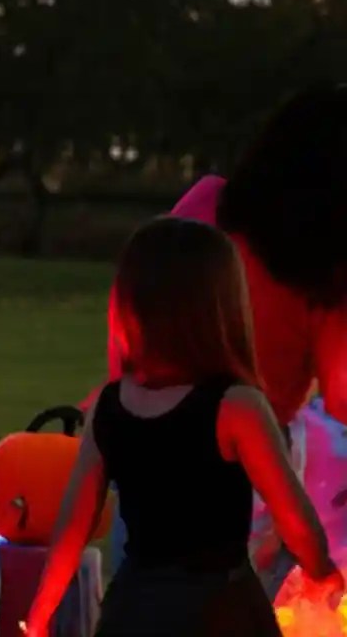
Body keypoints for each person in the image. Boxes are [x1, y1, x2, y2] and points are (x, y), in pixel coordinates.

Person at [24, 217, 343, 637]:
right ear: (221, 308)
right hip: (222, 611)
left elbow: (72, 527)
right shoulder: (236, 406)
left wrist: (40, 614)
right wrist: (321, 570)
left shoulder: (110, 406)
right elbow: (293, 517)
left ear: (130, 307)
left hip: (133, 610)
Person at [88, 83, 347, 592]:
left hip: (146, 451)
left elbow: (133, 304)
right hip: (248, 479)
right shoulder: (322, 276)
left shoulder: (204, 205)